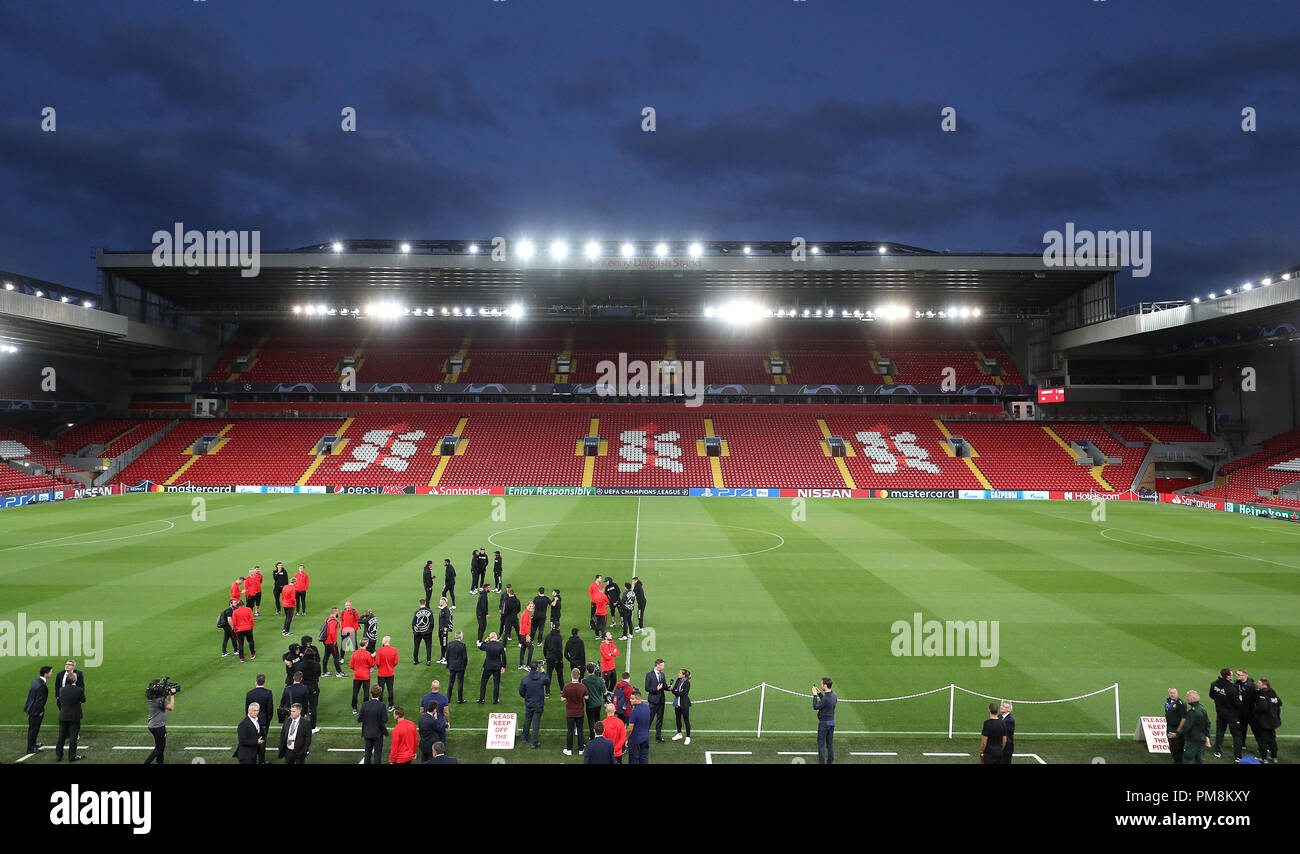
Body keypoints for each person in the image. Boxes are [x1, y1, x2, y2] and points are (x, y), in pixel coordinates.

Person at [1210, 667, 1243, 760]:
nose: (1233, 676)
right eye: (1232, 675)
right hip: (1232, 715)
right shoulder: (1232, 688)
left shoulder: (1214, 684)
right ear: (1228, 676)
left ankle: (1217, 751)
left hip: (1220, 712)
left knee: (1220, 731)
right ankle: (1238, 756)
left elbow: (1211, 695)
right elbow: (1237, 704)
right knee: (1237, 735)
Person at [142, 680, 176, 765]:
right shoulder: (160, 700)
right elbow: (171, 707)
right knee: (159, 748)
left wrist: (166, 694)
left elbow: (162, 699)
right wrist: (172, 695)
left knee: (160, 746)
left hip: (152, 726)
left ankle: (160, 761)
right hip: (159, 727)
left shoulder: (151, 698)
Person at [519, 661, 551, 749]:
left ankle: (524, 738)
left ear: (530, 668)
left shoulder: (525, 679)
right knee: (536, 723)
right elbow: (548, 680)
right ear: (537, 668)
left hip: (529, 703)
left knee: (527, 720)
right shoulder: (541, 677)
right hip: (538, 703)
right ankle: (534, 742)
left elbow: (521, 692)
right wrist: (544, 672)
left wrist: (527, 697)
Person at [1251, 677, 1282, 763]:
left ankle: (1264, 758)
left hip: (1264, 722)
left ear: (1264, 685)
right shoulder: (1272, 692)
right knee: (1272, 739)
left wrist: (1254, 710)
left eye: (1259, 683)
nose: (1258, 684)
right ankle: (1274, 757)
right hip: (1273, 721)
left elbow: (1263, 707)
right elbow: (1280, 702)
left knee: (1262, 740)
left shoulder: (1262, 693)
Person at [246, 674, 274, 763]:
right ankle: (262, 761)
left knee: (253, 740)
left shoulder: (250, 693)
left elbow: (247, 708)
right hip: (263, 721)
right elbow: (270, 708)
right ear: (264, 682)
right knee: (262, 741)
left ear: (256, 682)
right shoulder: (268, 693)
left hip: (252, 720)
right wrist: (268, 719)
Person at [1178, 689, 1212, 764]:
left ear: (1193, 698)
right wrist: (1207, 737)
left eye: (1188, 696)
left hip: (1192, 740)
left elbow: (1187, 727)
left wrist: (1177, 734)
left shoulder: (1192, 712)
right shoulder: (1202, 708)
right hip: (1201, 739)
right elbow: (1208, 723)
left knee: (1188, 759)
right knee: (1200, 760)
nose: (1187, 698)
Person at [561, 667, 589, 757]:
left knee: (570, 731)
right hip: (579, 712)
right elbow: (586, 697)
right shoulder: (582, 686)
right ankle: (581, 749)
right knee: (580, 730)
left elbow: (562, 699)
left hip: (570, 712)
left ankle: (569, 750)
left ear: (571, 675)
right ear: (579, 676)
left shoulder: (567, 686)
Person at [24, 665, 51, 755]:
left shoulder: (36, 681)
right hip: (36, 711)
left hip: (31, 708)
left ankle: (33, 745)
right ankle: (31, 748)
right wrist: (40, 711)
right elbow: (40, 701)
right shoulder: (42, 686)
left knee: (33, 729)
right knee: (34, 730)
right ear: (46, 674)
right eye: (50, 672)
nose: (51, 673)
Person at [359, 685, 389, 764]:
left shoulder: (365, 704)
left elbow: (359, 719)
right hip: (378, 734)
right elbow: (385, 720)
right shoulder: (382, 705)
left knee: (367, 755)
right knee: (377, 755)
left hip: (367, 733)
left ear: (371, 693)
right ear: (380, 694)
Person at [296, 648, 323, 730]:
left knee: (302, 707)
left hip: (303, 687)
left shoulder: (300, 665)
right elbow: (318, 674)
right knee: (313, 708)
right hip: (313, 686)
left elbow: (298, 675)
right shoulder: (317, 665)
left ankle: (301, 725)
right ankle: (313, 727)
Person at [420, 679, 451, 750]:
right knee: (441, 743)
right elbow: (446, 712)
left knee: (430, 741)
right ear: (439, 687)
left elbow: (421, 711)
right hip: (440, 724)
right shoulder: (444, 698)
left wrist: (425, 719)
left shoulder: (425, 698)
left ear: (431, 687)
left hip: (428, 723)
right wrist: (447, 721)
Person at [478, 632, 507, 704]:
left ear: (490, 638)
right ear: (496, 637)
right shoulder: (500, 646)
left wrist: (485, 640)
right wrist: (503, 666)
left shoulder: (487, 645)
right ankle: (495, 700)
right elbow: (504, 657)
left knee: (483, 682)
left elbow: (481, 647)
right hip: (497, 666)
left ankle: (482, 699)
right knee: (496, 683)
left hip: (488, 666)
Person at [811, 676, 834, 763]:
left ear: (825, 685)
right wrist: (820, 693)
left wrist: (814, 695)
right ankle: (830, 762)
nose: (821, 685)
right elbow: (825, 701)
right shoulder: (834, 695)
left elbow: (815, 706)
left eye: (821, 684)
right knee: (830, 744)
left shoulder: (827, 699)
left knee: (821, 745)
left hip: (824, 724)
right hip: (832, 722)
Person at [1236, 668, 1258, 755]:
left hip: (1251, 712)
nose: (1237, 676)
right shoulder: (1236, 683)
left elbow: (1256, 699)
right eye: (1237, 674)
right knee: (1242, 729)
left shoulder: (1252, 686)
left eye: (1239, 674)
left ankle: (1263, 746)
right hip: (1241, 712)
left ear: (1245, 676)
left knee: (1256, 730)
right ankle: (1242, 744)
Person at [349, 642, 376, 714]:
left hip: (357, 676)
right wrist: (372, 657)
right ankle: (365, 708)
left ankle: (354, 708)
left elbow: (351, 666)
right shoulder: (367, 654)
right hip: (366, 676)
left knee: (355, 692)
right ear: (366, 645)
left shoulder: (355, 653)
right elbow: (372, 664)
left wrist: (357, 669)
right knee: (366, 692)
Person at [645, 659, 668, 742]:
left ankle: (658, 735)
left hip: (661, 700)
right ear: (658, 665)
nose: (663, 667)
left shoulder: (662, 674)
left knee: (660, 719)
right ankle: (644, 735)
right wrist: (656, 689)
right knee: (649, 719)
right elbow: (647, 688)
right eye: (662, 665)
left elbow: (664, 686)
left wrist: (669, 688)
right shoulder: (649, 675)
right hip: (653, 701)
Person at [626, 689, 651, 764]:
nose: (630, 700)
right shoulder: (647, 707)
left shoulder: (634, 711)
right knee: (644, 759)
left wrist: (626, 739)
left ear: (638, 699)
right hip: (645, 738)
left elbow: (630, 729)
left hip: (635, 740)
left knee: (633, 760)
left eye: (632, 699)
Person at [375, 635, 400, 711]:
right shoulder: (394, 650)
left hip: (381, 673)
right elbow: (396, 662)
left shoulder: (379, 650)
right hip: (390, 673)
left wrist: (381, 667)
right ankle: (391, 705)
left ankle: (380, 705)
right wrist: (391, 667)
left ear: (384, 641)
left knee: (380, 690)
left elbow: (377, 662)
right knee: (390, 689)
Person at [582, 663, 606, 739]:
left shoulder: (584, 681)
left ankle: (592, 736)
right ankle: (598, 735)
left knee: (591, 721)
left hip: (590, 704)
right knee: (597, 719)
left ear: (587, 671)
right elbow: (605, 692)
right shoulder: (600, 680)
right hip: (598, 704)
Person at [1164, 687, 1188, 764]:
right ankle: (1176, 760)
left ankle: (1180, 761)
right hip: (1169, 727)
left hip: (1177, 727)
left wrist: (1178, 730)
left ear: (1177, 693)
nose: (1172, 694)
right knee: (1171, 745)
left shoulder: (1181, 704)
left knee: (1178, 746)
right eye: (1171, 693)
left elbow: (1184, 718)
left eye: (1174, 693)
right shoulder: (1167, 701)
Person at [446, 631, 469, 703]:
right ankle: (460, 699)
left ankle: (448, 699)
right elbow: (465, 658)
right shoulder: (462, 645)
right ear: (460, 637)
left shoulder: (449, 644)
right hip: (460, 666)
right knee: (460, 683)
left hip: (452, 666)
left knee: (451, 682)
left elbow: (447, 656)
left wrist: (449, 664)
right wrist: (464, 665)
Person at [543, 623, 564, 695]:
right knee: (560, 675)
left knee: (548, 676)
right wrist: (560, 659)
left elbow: (545, 648)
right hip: (557, 659)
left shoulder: (548, 636)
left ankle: (547, 692)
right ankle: (562, 690)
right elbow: (559, 649)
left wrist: (546, 657)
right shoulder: (559, 637)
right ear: (558, 628)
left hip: (549, 658)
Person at [323, 607, 344, 676]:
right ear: (335, 612)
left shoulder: (328, 619)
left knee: (326, 656)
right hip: (331, 642)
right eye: (337, 612)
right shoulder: (333, 621)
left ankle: (324, 672)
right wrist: (334, 641)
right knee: (336, 657)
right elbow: (332, 632)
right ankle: (339, 672)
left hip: (326, 641)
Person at [412, 598, 434, 666]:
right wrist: (430, 631)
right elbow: (432, 623)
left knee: (416, 646)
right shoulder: (430, 611)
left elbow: (413, 623)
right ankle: (428, 661)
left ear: (420, 603)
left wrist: (415, 631)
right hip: (427, 633)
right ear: (425, 603)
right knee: (428, 647)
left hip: (417, 633)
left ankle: (415, 660)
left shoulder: (416, 612)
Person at [518, 602, 535, 670]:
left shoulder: (526, 613)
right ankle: (528, 665)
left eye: (532, 606)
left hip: (522, 633)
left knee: (523, 648)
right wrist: (527, 635)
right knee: (531, 648)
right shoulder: (526, 614)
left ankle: (521, 664)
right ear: (526, 606)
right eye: (530, 606)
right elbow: (525, 625)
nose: (531, 607)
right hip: (524, 634)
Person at [437, 597, 453, 663]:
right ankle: (442, 657)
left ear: (444, 601)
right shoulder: (443, 609)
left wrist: (446, 629)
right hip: (441, 629)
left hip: (444, 630)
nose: (439, 601)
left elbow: (448, 620)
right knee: (442, 644)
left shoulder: (446, 610)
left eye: (441, 600)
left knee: (444, 644)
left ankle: (446, 658)